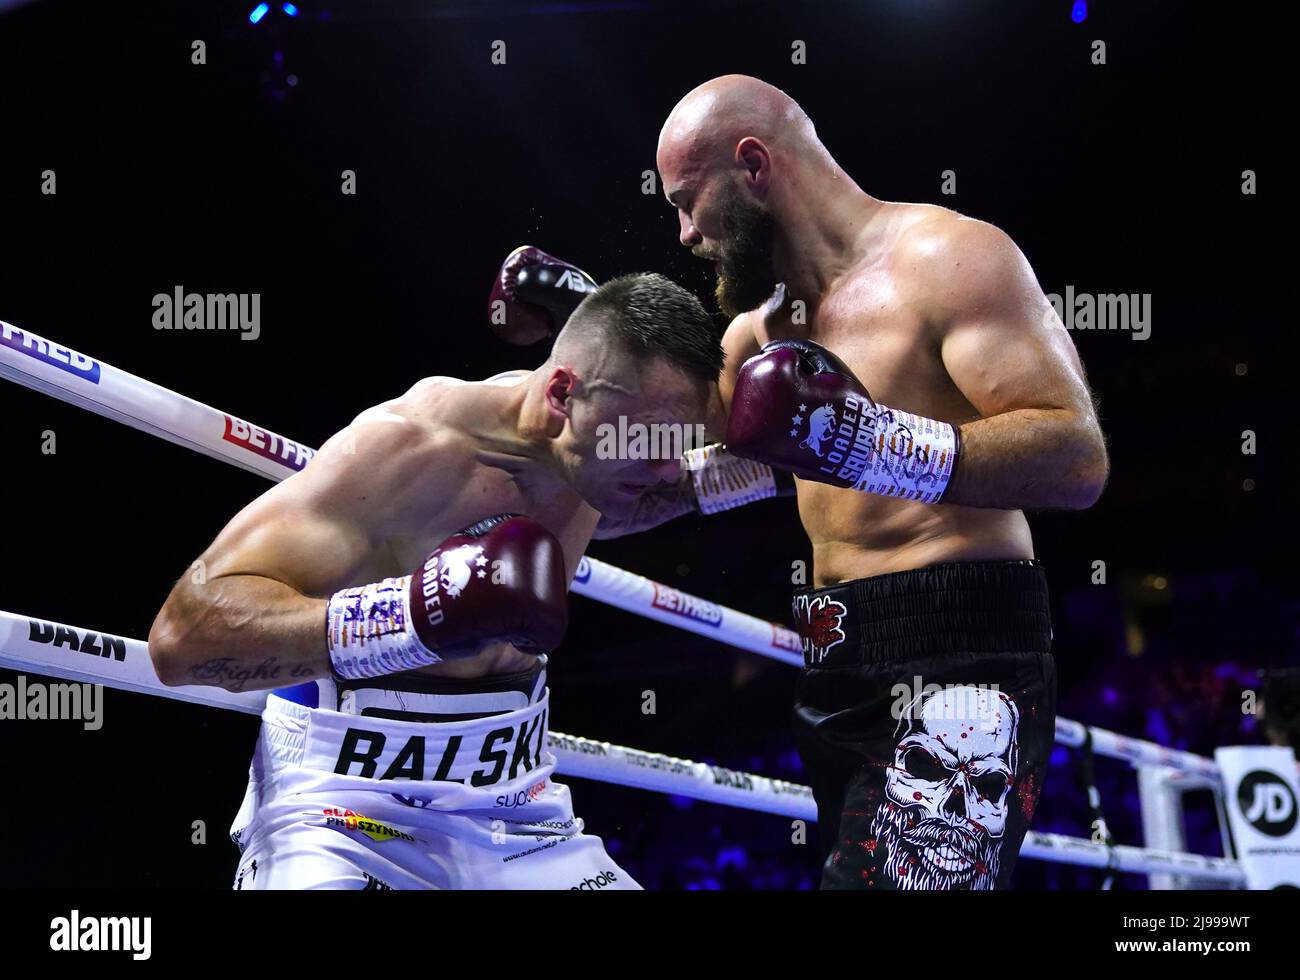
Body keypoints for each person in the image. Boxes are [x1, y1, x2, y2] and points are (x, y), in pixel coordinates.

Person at [597, 74, 1109, 889]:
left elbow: (1077, 458)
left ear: (754, 165)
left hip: (966, 648)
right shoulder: (758, 335)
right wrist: (577, 368)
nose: (686, 234)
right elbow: (660, 479)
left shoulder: (946, 259)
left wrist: (870, 443)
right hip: (837, 648)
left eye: (688, 201)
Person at [148, 262, 723, 889]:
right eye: (652, 446)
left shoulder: (596, 438)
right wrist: (413, 617)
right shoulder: (407, 451)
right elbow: (184, 638)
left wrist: (763, 470)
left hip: (520, 811)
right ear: (560, 396)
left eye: (679, 444)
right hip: (345, 806)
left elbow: (629, 434)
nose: (672, 470)